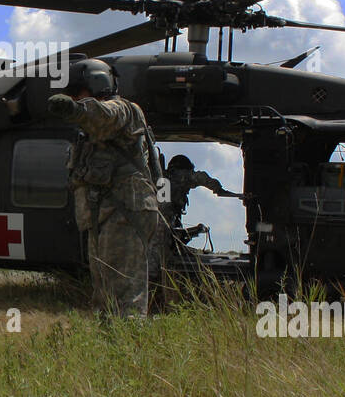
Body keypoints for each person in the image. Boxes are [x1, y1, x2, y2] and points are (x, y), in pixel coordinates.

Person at [48, 58, 160, 318]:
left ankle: (129, 349)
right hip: (106, 217)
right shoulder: (90, 135)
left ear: (96, 85)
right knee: (104, 295)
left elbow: (103, 115)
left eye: (78, 93)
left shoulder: (124, 110)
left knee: (124, 296)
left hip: (125, 214)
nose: (76, 98)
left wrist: (75, 109)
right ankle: (111, 346)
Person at [160, 153, 238, 228]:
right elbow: (200, 177)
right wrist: (219, 189)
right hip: (167, 220)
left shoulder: (162, 177)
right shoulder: (181, 176)